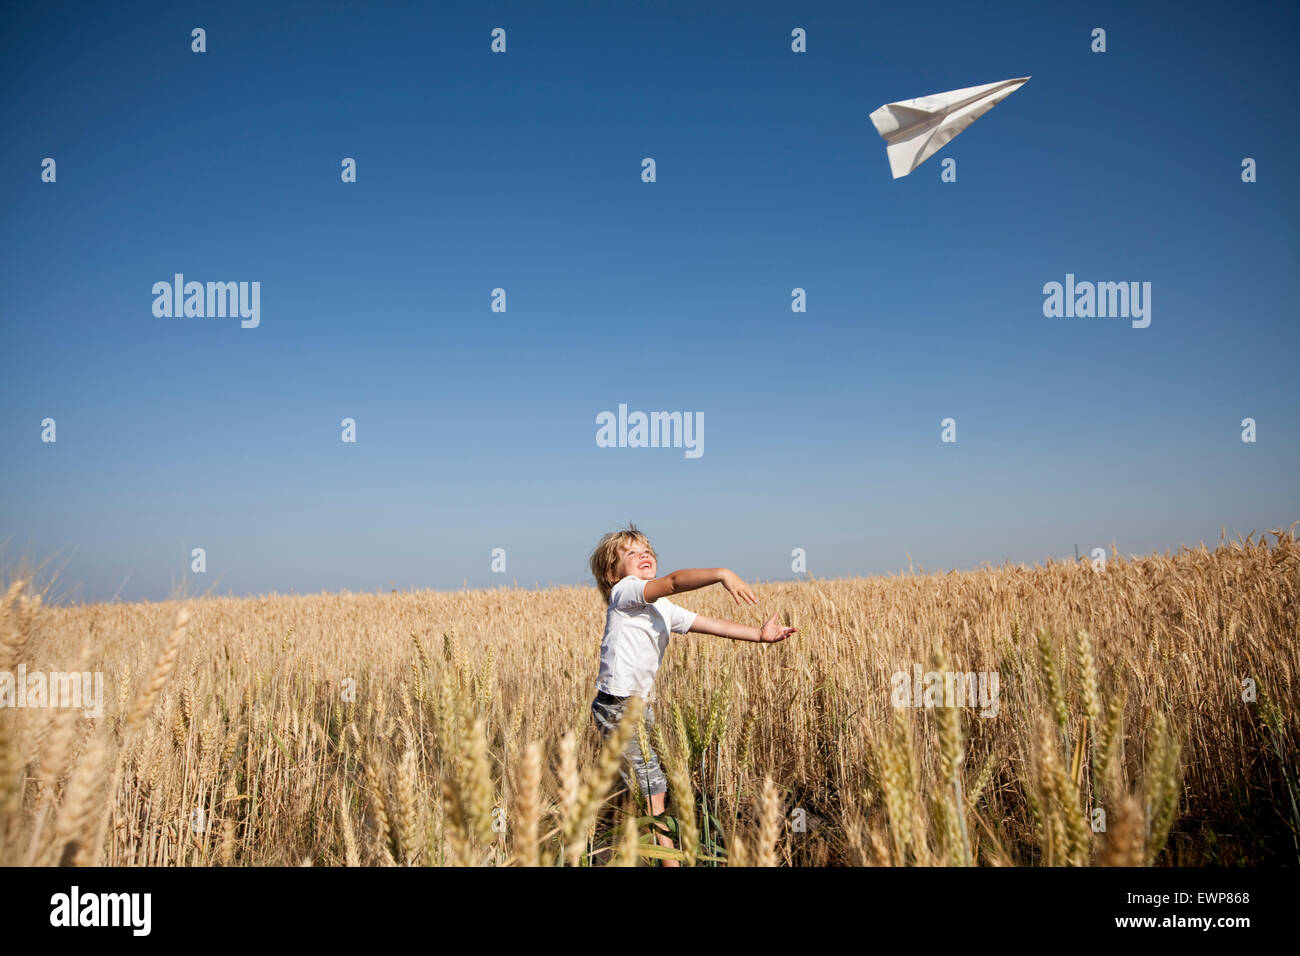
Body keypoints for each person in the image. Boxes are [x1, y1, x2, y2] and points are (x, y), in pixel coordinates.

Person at [587, 523, 797, 864]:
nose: (643, 555)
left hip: (640, 708)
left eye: (647, 551)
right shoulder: (624, 593)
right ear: (612, 575)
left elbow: (710, 625)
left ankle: (604, 837)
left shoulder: (662, 609)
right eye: (631, 553)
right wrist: (721, 574)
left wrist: (759, 635)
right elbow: (672, 581)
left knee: (644, 785)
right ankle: (667, 860)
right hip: (618, 707)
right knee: (653, 787)